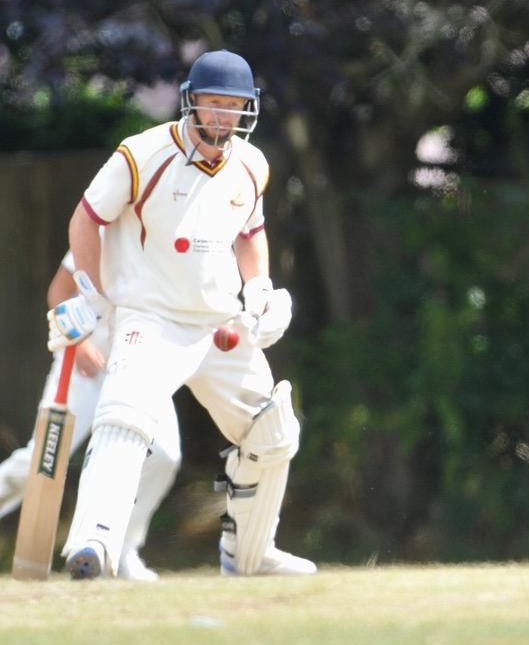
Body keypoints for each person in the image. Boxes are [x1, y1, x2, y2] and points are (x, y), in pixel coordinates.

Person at [46, 49, 316, 579]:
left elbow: (251, 237)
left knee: (274, 432)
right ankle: (94, 543)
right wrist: (95, 295)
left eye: (233, 107)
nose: (221, 117)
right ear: (191, 104)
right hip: (151, 318)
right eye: (213, 105)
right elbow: (86, 220)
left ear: (247, 110)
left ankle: (251, 553)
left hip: (218, 326)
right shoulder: (140, 154)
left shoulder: (251, 163)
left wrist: (259, 290)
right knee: (125, 417)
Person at [0, 255, 180, 581]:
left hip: (137, 367)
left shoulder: (166, 231)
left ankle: (120, 550)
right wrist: (80, 343)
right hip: (85, 366)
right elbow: (59, 291)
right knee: (39, 463)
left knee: (165, 456)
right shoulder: (104, 219)